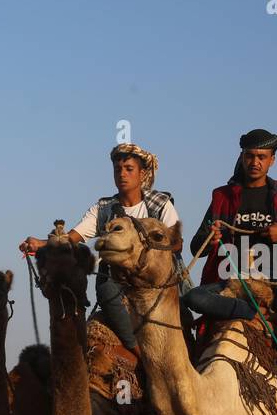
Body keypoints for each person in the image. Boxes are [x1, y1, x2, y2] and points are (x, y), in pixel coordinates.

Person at [183, 129, 277, 414]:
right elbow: (194, 246)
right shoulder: (222, 197)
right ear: (242, 157)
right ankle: (249, 313)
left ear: (272, 160)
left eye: (262, 157)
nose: (255, 162)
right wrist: (210, 238)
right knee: (193, 298)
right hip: (232, 276)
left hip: (275, 273)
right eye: (250, 156)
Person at [20, 143, 186, 354]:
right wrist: (42, 244)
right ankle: (137, 350)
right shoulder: (104, 208)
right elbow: (73, 238)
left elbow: (177, 243)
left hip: (154, 279)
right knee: (106, 290)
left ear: (142, 173)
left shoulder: (160, 204)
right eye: (118, 170)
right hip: (117, 278)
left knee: (187, 311)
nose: (122, 175)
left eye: (129, 169)